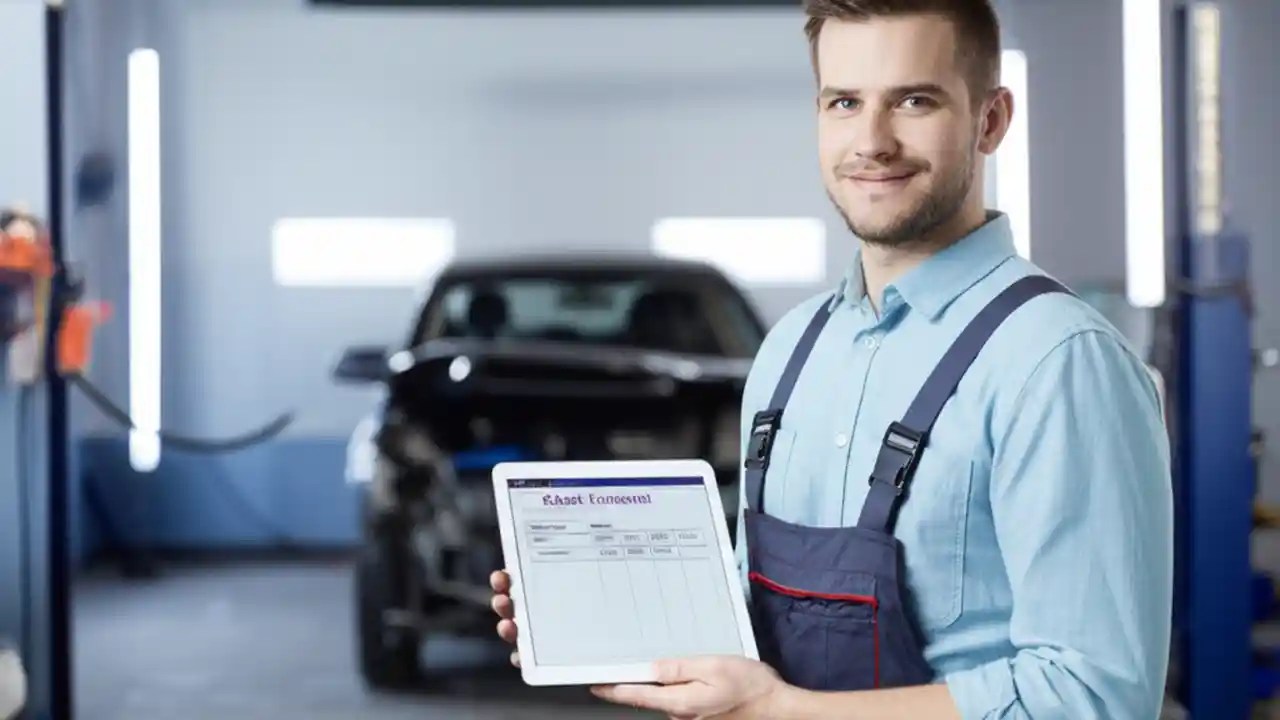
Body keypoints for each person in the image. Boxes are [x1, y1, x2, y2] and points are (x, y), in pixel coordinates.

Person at [491, 0, 1174, 717]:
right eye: (844, 102)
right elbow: (751, 619)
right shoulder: (790, 350)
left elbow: (1095, 694)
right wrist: (592, 610)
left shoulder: (1057, 363)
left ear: (991, 120)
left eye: (914, 100)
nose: (872, 141)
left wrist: (784, 711)